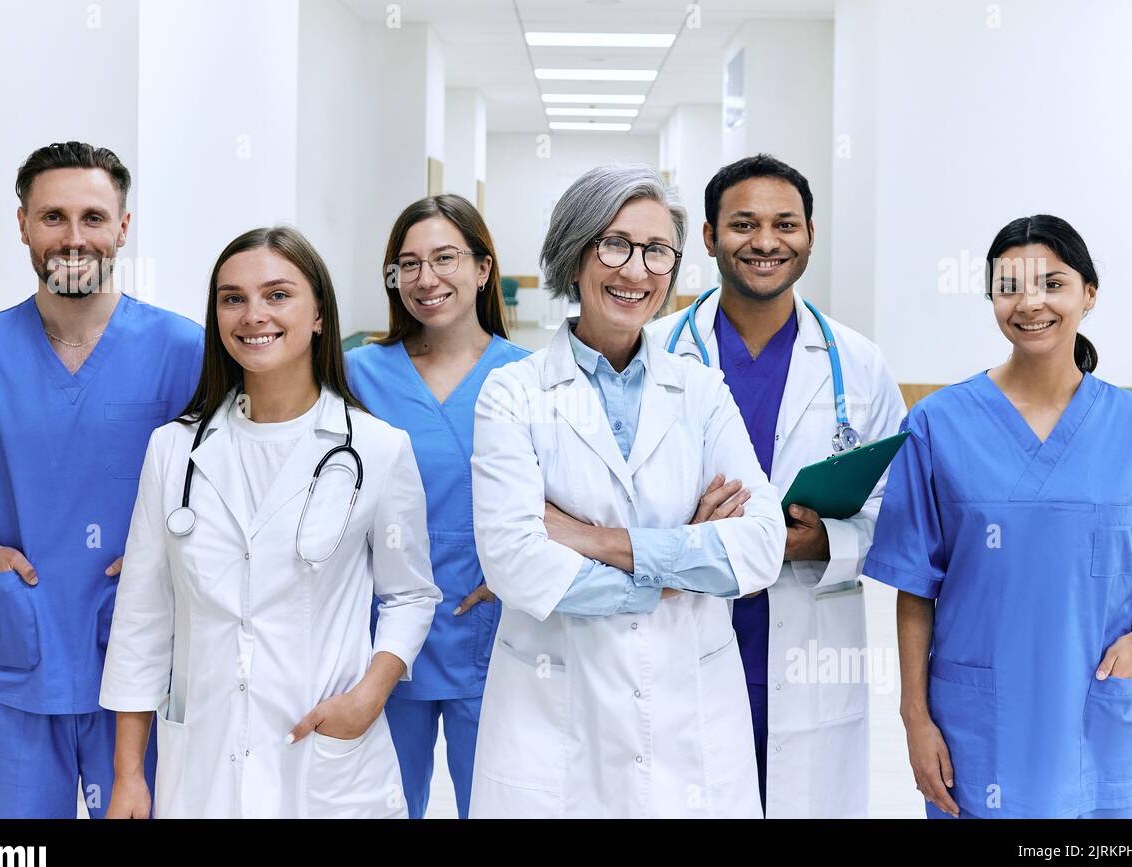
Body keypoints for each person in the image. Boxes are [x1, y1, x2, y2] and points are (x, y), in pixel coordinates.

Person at [468, 164, 787, 818]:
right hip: (553, 715)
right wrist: (681, 566)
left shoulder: (699, 390)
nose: (636, 270)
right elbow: (516, 562)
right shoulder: (514, 392)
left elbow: (760, 548)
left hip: (688, 715)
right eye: (613, 244)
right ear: (575, 252)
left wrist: (594, 540)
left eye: (657, 251)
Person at [0, 141, 201, 818]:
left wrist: (176, 554)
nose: (73, 236)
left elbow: (228, 483)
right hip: (23, 647)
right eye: (53, 216)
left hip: (141, 654)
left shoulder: (183, 349)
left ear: (123, 227)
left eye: (93, 217)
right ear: (23, 225)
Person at [99, 226, 439, 818]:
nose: (253, 314)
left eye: (277, 295)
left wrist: (367, 697)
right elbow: (142, 617)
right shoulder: (172, 451)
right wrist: (129, 773)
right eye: (232, 298)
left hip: (323, 752)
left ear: (318, 316)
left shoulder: (378, 450)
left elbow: (410, 595)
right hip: (204, 757)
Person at [864, 215, 1132, 818]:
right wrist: (915, 718)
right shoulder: (938, 423)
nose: (1030, 302)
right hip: (979, 722)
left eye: (1052, 282)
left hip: (1093, 712)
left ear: (1088, 294)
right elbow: (915, 585)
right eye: (1009, 285)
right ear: (990, 296)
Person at [648, 154, 906, 818]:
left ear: (810, 235)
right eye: (744, 224)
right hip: (688, 625)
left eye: (785, 223)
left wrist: (827, 541)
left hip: (809, 637)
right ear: (708, 238)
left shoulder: (859, 363)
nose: (766, 241)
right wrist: (693, 536)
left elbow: (896, 509)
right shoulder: (651, 354)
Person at [345, 195, 530, 819]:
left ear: (483, 269)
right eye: (408, 263)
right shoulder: (356, 376)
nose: (426, 279)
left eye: (445, 258)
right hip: (384, 631)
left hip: (499, 626)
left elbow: (569, 502)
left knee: (498, 800)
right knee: (388, 803)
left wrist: (522, 574)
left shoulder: (529, 379)